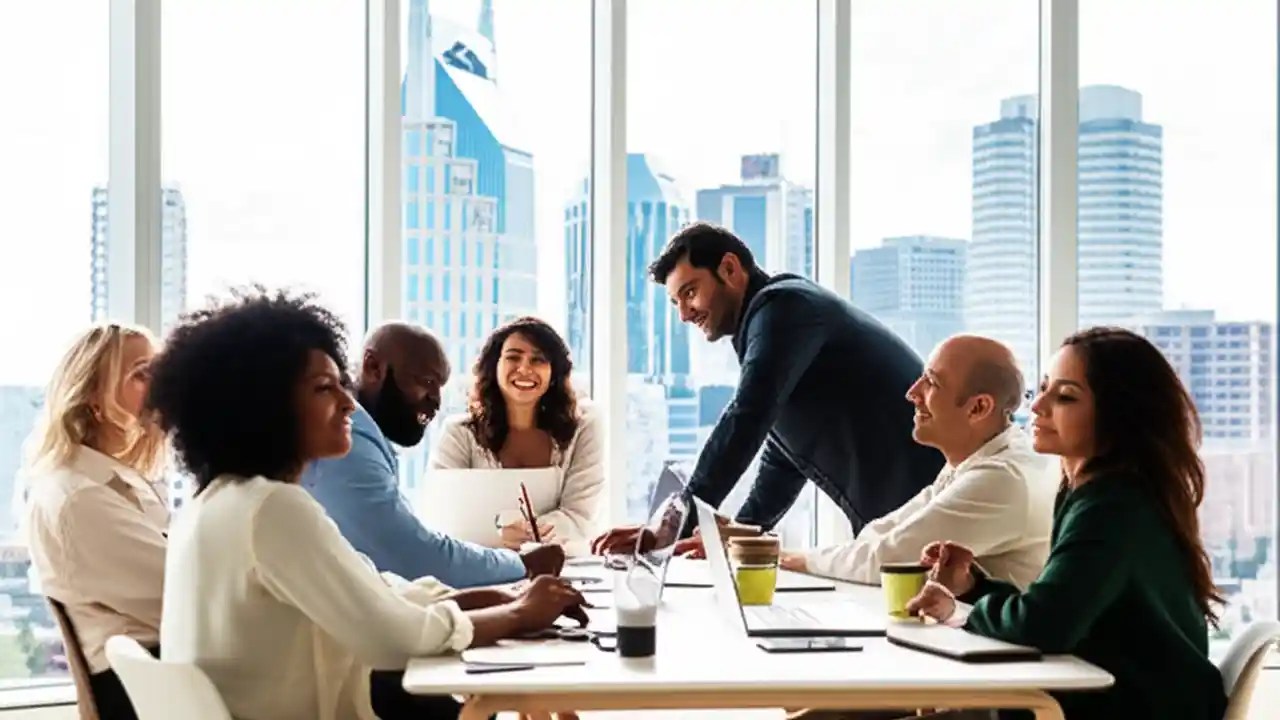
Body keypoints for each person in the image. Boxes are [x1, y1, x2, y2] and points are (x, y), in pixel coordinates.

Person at [149, 288, 587, 720]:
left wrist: (484, 599)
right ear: (265, 405)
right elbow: (392, 639)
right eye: (325, 388)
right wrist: (518, 612)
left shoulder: (216, 503)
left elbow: (373, 588)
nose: (347, 402)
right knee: (466, 701)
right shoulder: (272, 509)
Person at [908, 327, 1227, 719]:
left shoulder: (1113, 505)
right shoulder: (1092, 492)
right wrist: (973, 587)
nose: (1038, 405)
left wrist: (958, 612)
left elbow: (1046, 625)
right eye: (1044, 388)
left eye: (1065, 396)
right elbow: (1062, 606)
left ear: (1117, 416)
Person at [593, 222, 942, 555]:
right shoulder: (774, 322)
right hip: (906, 517)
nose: (684, 314)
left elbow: (747, 417)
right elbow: (783, 459)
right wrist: (737, 536)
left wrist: (672, 526)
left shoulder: (783, 307)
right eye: (676, 303)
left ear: (729, 268)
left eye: (690, 292)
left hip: (930, 513)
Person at [780, 335, 1055, 589]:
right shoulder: (978, 458)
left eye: (932, 383)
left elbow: (889, 561)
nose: (912, 392)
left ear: (978, 408)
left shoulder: (1001, 478)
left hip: (992, 641)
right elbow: (879, 533)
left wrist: (791, 561)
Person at [303, 321, 562, 588]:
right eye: (426, 381)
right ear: (373, 367)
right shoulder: (347, 435)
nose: (436, 400)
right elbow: (409, 555)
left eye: (440, 386)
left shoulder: (362, 436)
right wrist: (520, 564)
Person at [22, 323, 169, 720]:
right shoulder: (79, 499)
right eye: (142, 373)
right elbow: (185, 600)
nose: (162, 386)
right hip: (148, 697)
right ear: (93, 399)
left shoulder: (115, 482)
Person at [432, 317, 603, 556]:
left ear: (553, 372)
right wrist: (499, 534)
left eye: (538, 359)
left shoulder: (584, 427)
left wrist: (526, 533)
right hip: (480, 568)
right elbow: (443, 515)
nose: (524, 369)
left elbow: (579, 516)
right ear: (494, 366)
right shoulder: (459, 433)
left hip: (562, 566)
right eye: (513, 357)